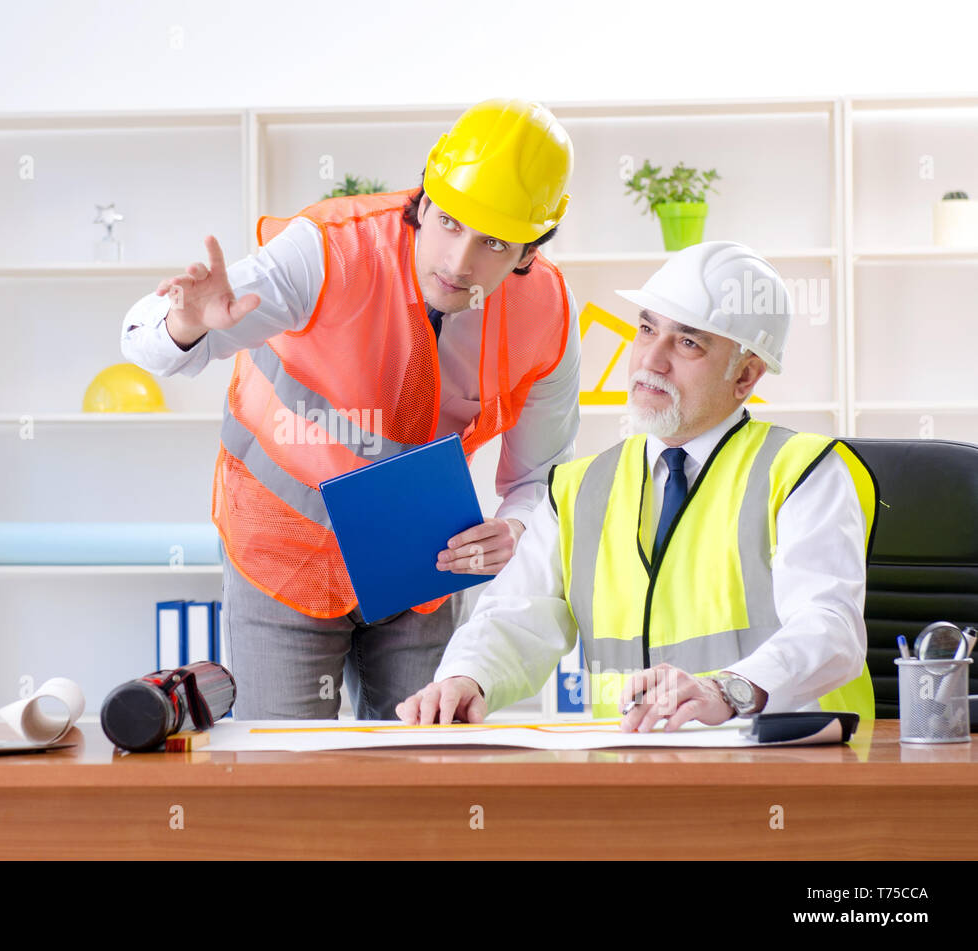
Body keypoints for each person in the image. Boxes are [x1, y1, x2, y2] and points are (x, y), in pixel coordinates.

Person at [121, 98, 582, 720]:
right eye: (448, 222)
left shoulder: (546, 310)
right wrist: (182, 324)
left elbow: (540, 475)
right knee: (289, 779)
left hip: (422, 562)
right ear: (423, 198)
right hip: (284, 553)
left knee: (421, 774)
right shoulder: (327, 250)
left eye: (495, 243)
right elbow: (149, 346)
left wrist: (516, 528)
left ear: (529, 252)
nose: (458, 261)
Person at [397, 240, 878, 732]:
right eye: (647, 329)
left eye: (688, 343)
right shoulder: (579, 487)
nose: (652, 360)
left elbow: (830, 630)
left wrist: (728, 689)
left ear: (746, 375)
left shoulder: (803, 471)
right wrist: (466, 678)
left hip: (785, 763)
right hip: (632, 762)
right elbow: (515, 616)